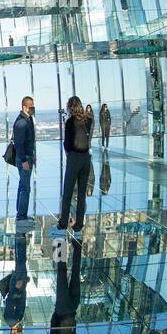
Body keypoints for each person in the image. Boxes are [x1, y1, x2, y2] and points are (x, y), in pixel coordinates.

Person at [55, 96, 93, 238]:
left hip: (74, 158)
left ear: (70, 107)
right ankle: (79, 225)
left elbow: (68, 143)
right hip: (86, 159)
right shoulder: (88, 120)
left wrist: (69, 153)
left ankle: (64, 222)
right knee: (82, 194)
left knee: (68, 193)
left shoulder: (70, 122)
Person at [12, 95, 36, 225]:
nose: (33, 109)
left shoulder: (28, 119)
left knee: (23, 186)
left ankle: (21, 214)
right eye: (31, 107)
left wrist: (33, 156)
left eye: (33, 106)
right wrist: (24, 160)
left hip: (28, 156)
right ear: (24, 107)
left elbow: (30, 140)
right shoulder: (22, 122)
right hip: (24, 158)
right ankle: (21, 216)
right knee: (25, 188)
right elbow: (19, 144)